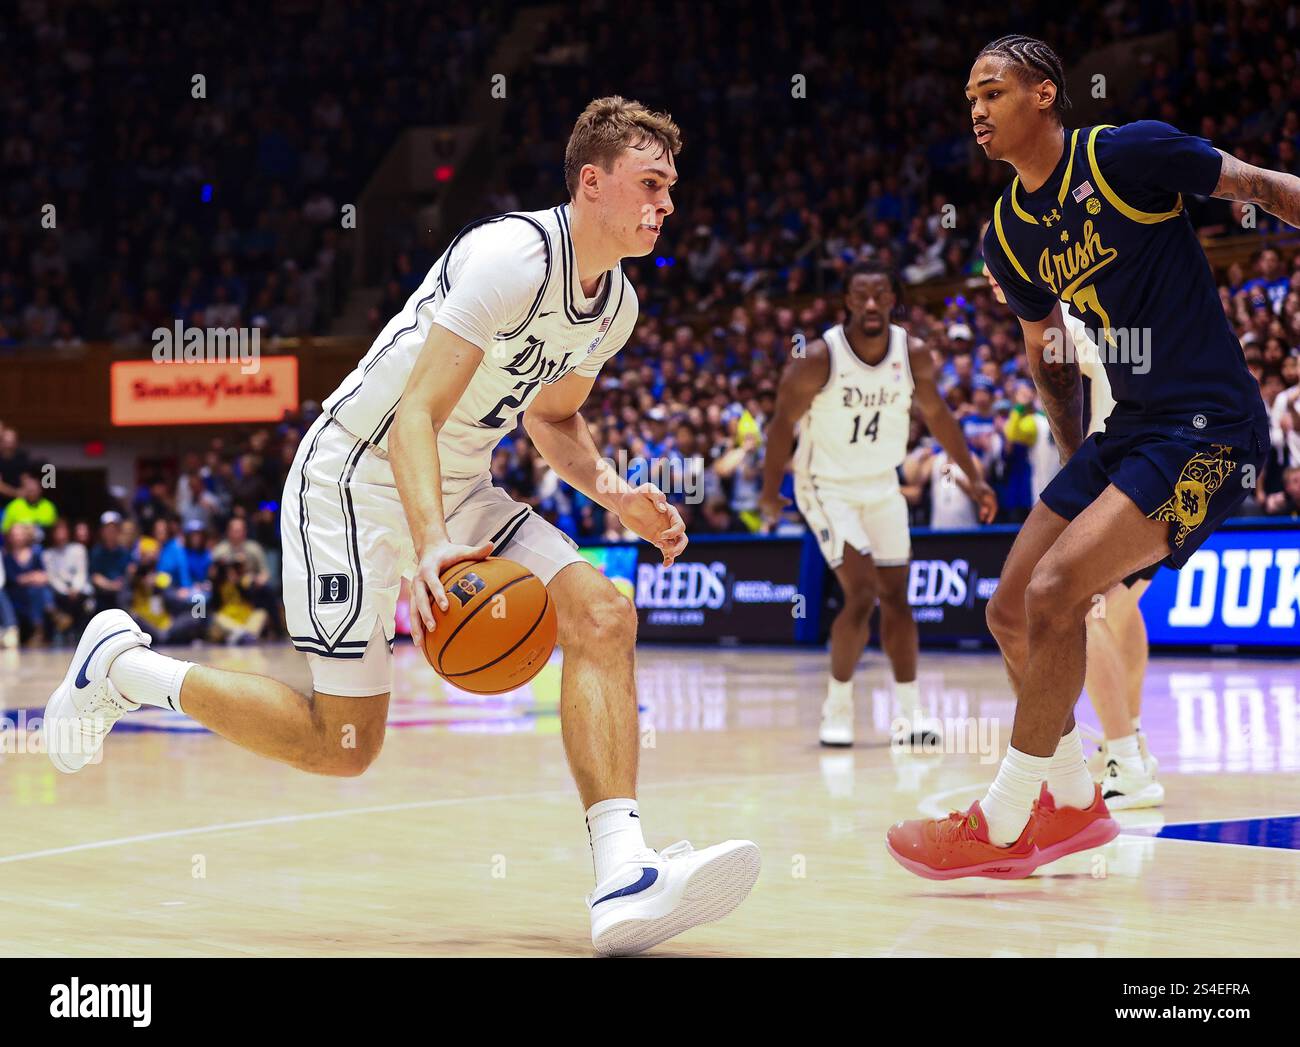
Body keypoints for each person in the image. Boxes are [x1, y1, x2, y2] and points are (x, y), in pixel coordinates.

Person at [46, 96, 759, 956]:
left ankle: (622, 874)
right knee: (343, 744)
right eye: (652, 184)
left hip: (459, 481)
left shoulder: (616, 308)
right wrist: (431, 546)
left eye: (672, 188)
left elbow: (552, 420)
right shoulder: (511, 256)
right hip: (353, 475)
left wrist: (617, 493)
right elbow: (411, 415)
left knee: (603, 612)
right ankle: (124, 669)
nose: (666, 204)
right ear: (592, 182)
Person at [889, 34, 1279, 879]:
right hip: (1128, 430)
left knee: (1061, 591)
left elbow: (1255, 185)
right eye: (968, 100)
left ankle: (1001, 821)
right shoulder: (1007, 232)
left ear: (1043, 93)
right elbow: (1049, 352)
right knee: (1008, 611)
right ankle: (1071, 802)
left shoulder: (1125, 154)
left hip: (1210, 426)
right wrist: (1080, 467)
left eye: (991, 91)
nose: (977, 112)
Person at [759, 261, 997, 747]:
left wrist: (973, 478)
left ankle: (911, 715)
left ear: (892, 299)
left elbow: (939, 416)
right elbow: (782, 424)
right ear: (847, 301)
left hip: (882, 486)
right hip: (826, 487)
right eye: (861, 295)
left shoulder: (914, 355)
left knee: (897, 600)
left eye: (880, 295)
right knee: (862, 593)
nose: (871, 304)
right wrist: (769, 493)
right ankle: (837, 708)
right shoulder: (819, 358)